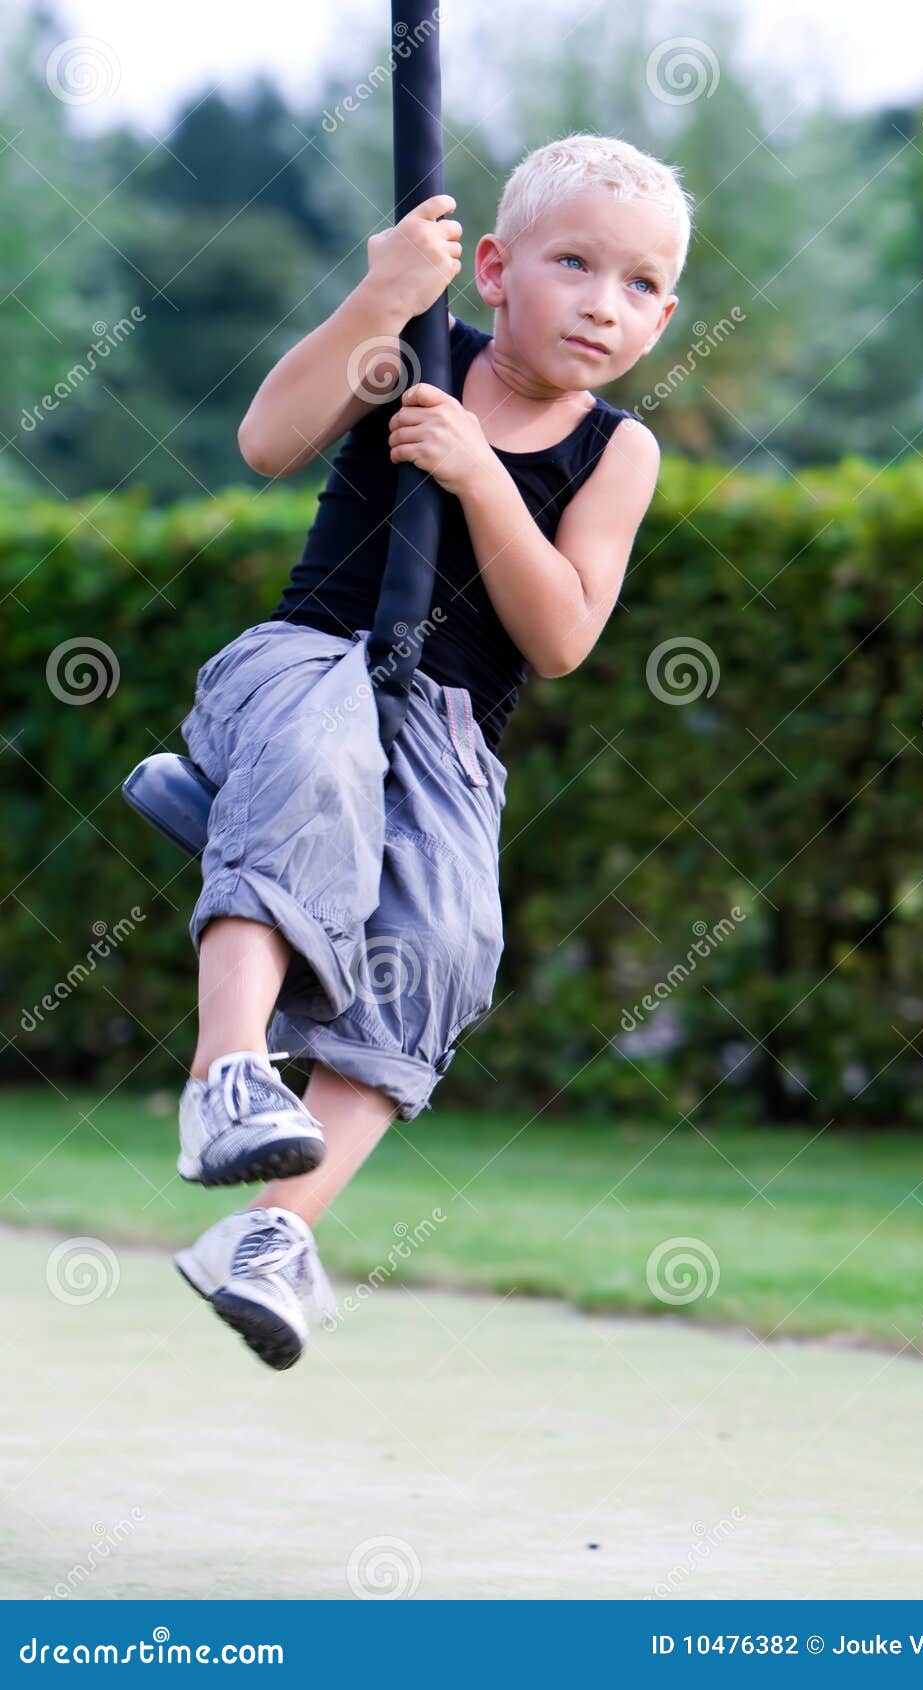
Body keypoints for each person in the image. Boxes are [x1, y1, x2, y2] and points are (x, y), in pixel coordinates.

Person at [172, 133, 691, 1369]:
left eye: (637, 285)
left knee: (447, 943)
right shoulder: (418, 348)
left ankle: (271, 1232)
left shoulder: (618, 450)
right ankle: (226, 1071)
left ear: (663, 319)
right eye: (574, 264)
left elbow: (560, 635)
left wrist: (476, 473)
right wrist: (384, 293)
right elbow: (267, 439)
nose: (602, 304)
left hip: (450, 735)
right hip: (314, 663)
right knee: (320, 769)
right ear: (495, 269)